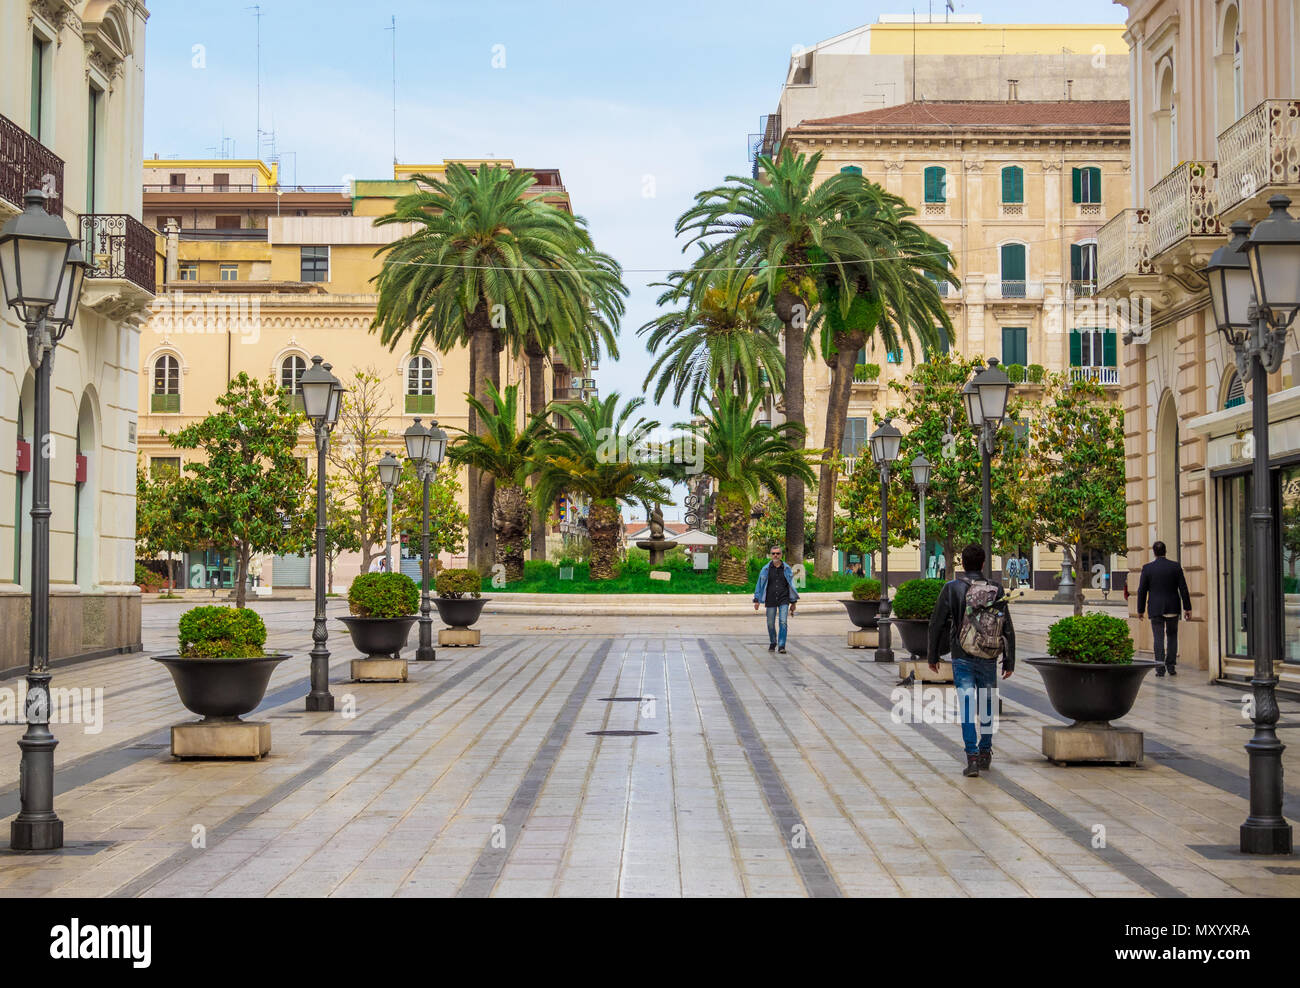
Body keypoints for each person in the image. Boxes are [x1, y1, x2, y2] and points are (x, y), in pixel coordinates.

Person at [927, 544, 1016, 778]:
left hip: (962, 655)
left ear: (962, 564)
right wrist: (1009, 660)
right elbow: (1006, 625)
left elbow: (936, 623)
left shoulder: (952, 588)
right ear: (984, 563)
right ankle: (986, 751)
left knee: (967, 706)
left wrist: (933, 656)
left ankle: (972, 758)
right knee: (987, 705)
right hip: (988, 655)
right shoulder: (995, 588)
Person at [1136, 540, 1191, 677]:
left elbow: (1142, 590)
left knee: (1158, 637)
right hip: (1173, 606)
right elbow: (1183, 589)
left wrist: (1140, 609)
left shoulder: (1148, 568)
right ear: (1165, 551)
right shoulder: (1175, 567)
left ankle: (1160, 668)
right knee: (1172, 636)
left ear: (1154, 552)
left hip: (1155, 608)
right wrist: (1187, 608)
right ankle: (1171, 666)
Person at [753, 545, 798, 653]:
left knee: (783, 622)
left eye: (778, 553)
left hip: (784, 598)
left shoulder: (787, 569)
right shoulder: (765, 569)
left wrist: (793, 602)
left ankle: (781, 646)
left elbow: (791, 586)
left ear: (781, 555)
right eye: (773, 553)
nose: (775, 555)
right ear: (770, 555)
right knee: (770, 623)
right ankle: (773, 642)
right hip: (770, 598)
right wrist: (756, 599)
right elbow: (759, 584)